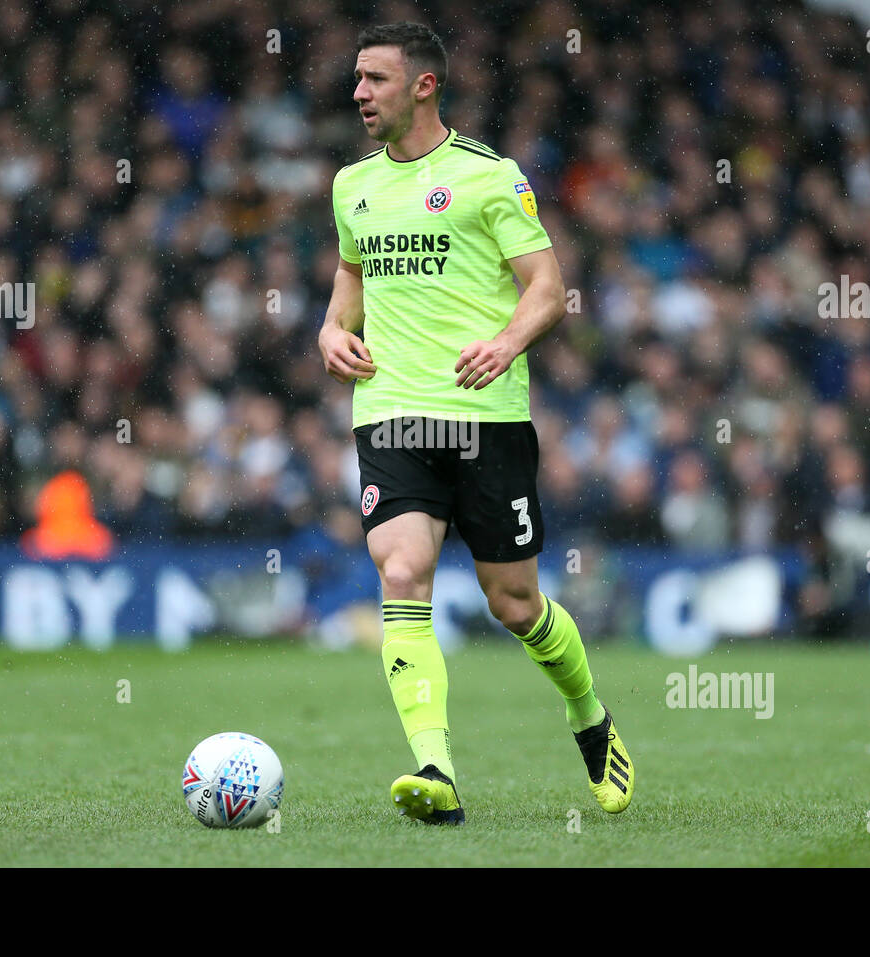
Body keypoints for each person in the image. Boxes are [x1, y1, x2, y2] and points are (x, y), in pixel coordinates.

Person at [317, 22, 632, 825]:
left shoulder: (491, 178)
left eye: (376, 80)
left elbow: (546, 288)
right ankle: (435, 767)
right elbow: (352, 273)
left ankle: (589, 716)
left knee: (516, 604)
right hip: (390, 411)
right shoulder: (351, 185)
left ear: (424, 85)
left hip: (484, 417)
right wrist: (330, 328)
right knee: (400, 570)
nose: (359, 93)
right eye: (357, 79)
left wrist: (505, 341)